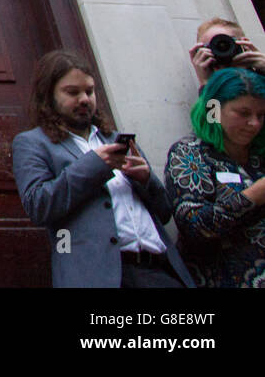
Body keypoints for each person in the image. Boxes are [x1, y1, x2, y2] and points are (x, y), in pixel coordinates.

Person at [12, 48, 193, 287]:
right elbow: (39, 206)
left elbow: (164, 212)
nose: (85, 99)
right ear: (49, 97)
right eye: (72, 92)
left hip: (158, 271)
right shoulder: (33, 143)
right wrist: (95, 166)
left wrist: (146, 180)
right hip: (98, 276)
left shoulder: (117, 139)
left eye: (89, 91)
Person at [166, 66, 265, 287]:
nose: (254, 124)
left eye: (261, 115)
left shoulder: (260, 157)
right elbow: (194, 225)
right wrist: (254, 195)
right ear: (213, 109)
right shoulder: (190, 153)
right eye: (244, 113)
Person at [189, 16, 264, 87]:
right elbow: (213, 101)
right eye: (212, 47)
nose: (222, 51)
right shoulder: (213, 94)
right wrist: (206, 83)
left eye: (227, 43)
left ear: (244, 44)